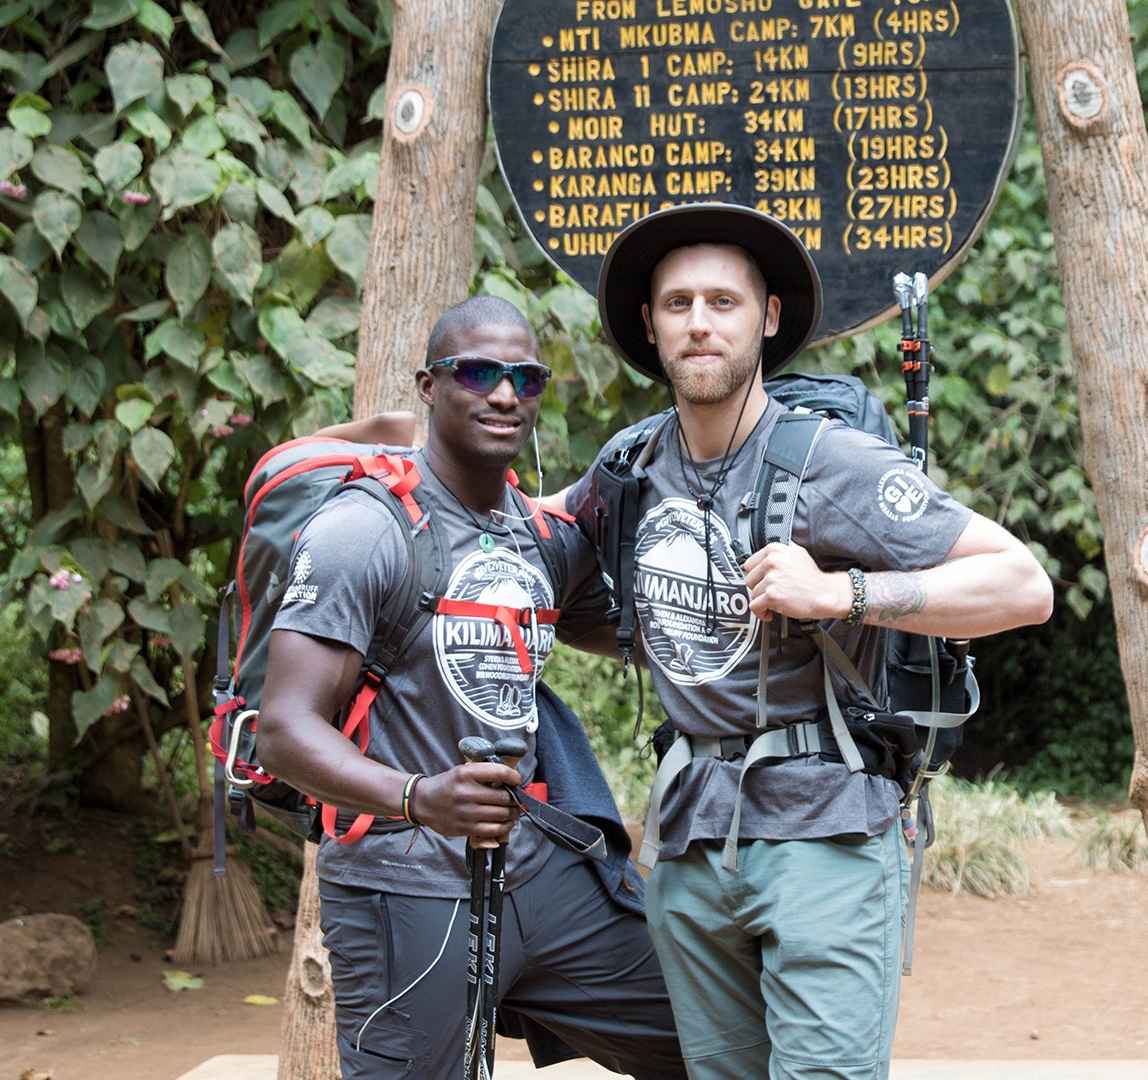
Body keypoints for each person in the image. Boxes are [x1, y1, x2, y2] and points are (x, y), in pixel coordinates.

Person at [557, 204, 1054, 1079]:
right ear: (649, 323)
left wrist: (841, 592)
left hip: (825, 832)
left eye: (723, 301)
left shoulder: (831, 460)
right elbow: (533, 546)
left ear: (768, 318)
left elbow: (1022, 584)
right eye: (677, 304)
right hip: (689, 841)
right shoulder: (629, 467)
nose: (700, 322)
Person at [259, 296, 687, 1080]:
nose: (503, 394)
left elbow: (657, 635)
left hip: (535, 871)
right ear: (429, 385)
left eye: (524, 378)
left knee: (715, 1033)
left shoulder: (536, 536)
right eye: (478, 372)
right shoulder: (366, 530)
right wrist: (420, 796)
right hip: (404, 883)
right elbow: (283, 728)